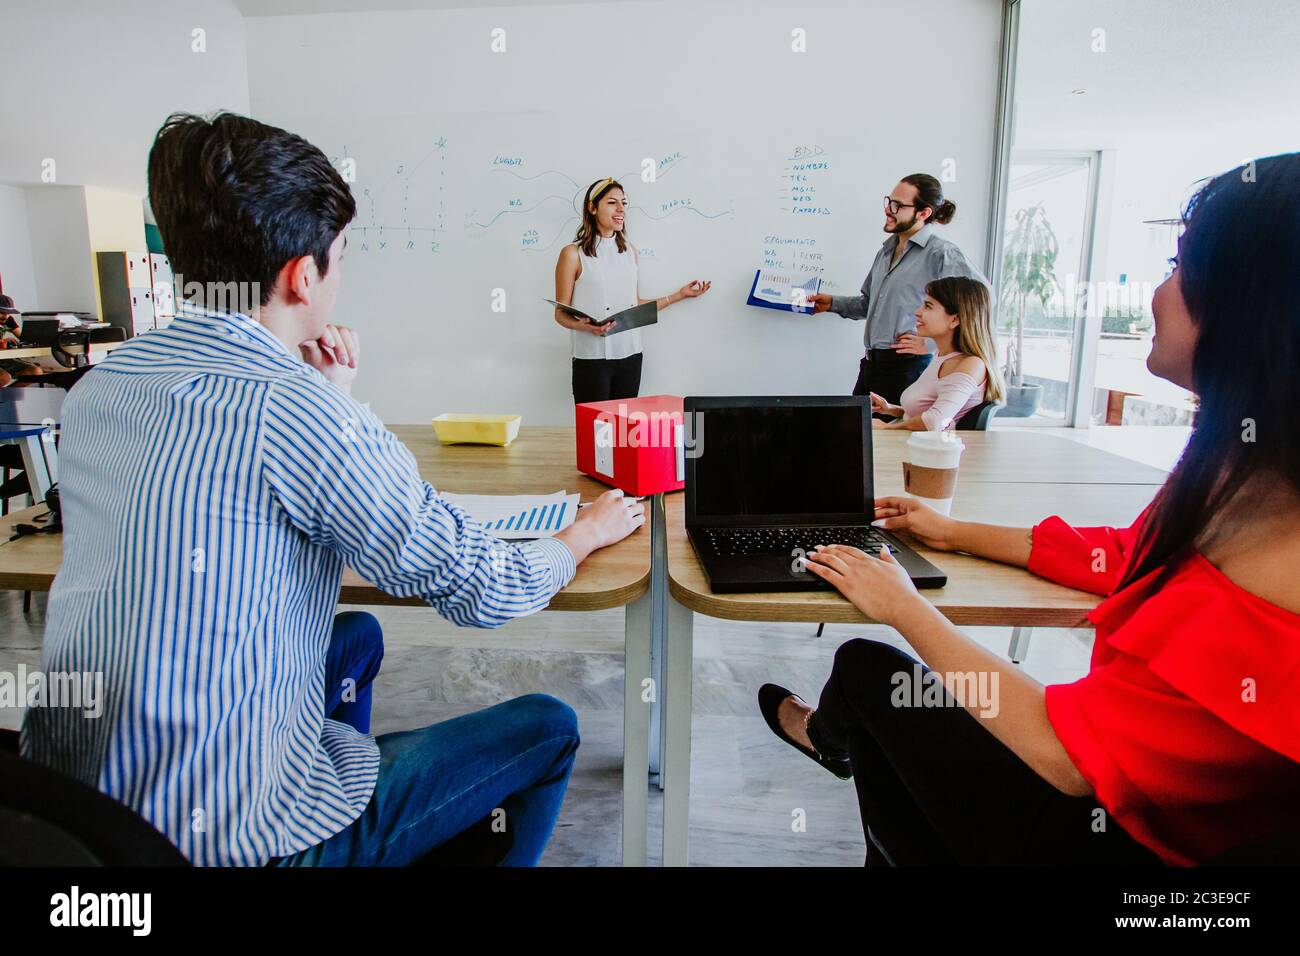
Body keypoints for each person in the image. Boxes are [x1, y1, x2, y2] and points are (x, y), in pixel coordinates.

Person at [21, 112, 646, 867]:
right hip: (227, 843)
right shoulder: (300, 412)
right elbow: (485, 590)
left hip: (68, 813)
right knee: (549, 727)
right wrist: (580, 535)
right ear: (300, 275)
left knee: (357, 638)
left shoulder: (100, 388)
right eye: (340, 258)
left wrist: (329, 397)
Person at [759, 153, 1300, 865]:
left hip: (1120, 839)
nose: (1155, 292)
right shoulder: (1241, 472)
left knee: (868, 669)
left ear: (1253, 300)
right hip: (1110, 793)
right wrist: (950, 531)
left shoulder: (1277, 560)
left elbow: (1073, 758)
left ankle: (833, 747)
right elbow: (1120, 556)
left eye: (1178, 265)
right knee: (894, 723)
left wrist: (905, 606)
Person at [806, 173, 985, 409]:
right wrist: (831, 303)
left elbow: (981, 299)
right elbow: (867, 304)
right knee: (853, 435)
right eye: (889, 201)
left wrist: (929, 344)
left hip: (907, 368)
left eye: (898, 205)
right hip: (871, 366)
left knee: (892, 442)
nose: (888, 209)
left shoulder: (941, 254)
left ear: (923, 213)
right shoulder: (885, 252)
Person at [553, 177, 710, 404]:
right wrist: (582, 325)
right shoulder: (572, 254)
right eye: (612, 203)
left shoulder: (629, 252)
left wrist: (679, 295)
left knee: (623, 432)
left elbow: (633, 304)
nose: (621, 209)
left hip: (631, 356)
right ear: (592, 207)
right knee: (595, 433)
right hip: (591, 358)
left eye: (624, 203)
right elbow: (560, 313)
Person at [870, 276, 1004, 430]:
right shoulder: (942, 356)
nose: (918, 312)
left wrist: (886, 429)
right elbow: (930, 412)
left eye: (928, 306)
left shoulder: (971, 365)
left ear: (955, 319)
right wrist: (891, 409)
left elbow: (936, 421)